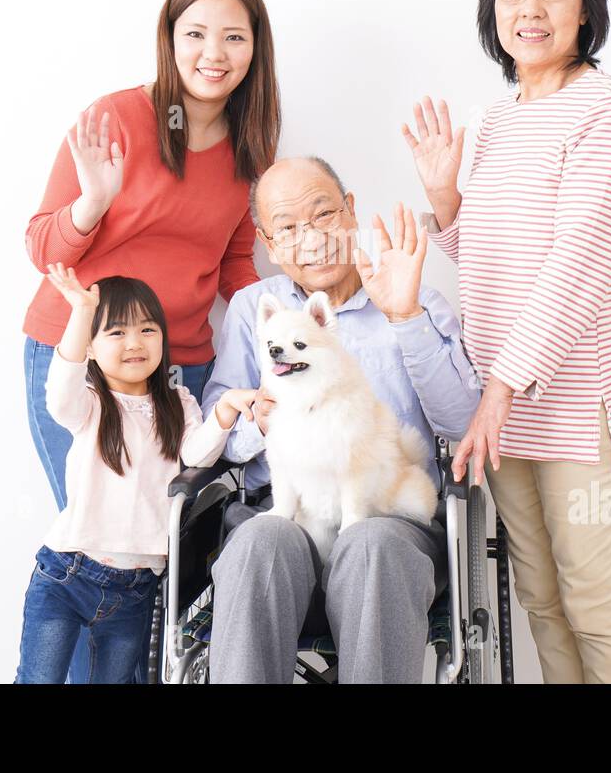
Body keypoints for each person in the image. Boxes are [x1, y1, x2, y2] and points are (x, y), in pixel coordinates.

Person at [407, 0, 611, 683]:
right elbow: (490, 257)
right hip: (501, 405)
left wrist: (501, 391)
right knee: (540, 601)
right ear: (493, 13)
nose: (530, 7)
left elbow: (578, 262)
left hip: (573, 401)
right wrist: (447, 200)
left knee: (595, 604)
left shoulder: (607, 109)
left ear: (587, 8)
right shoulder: (493, 121)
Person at [21, 0, 279, 681]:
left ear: (256, 49)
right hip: (80, 358)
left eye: (233, 36)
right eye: (194, 34)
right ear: (169, 40)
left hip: (181, 368)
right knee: (90, 556)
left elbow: (233, 264)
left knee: (157, 559)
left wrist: (296, 333)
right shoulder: (117, 120)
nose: (213, 53)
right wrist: (91, 205)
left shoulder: (250, 146)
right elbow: (44, 246)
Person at [201, 156, 481, 683]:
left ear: (350, 212)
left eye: (323, 213)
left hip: (387, 519)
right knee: (260, 542)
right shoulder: (253, 311)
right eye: (288, 227)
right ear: (269, 243)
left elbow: (466, 427)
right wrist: (257, 420)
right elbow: (220, 440)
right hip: (290, 511)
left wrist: (405, 319)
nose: (310, 237)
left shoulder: (415, 300)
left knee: (371, 543)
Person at [15, 265, 255, 683]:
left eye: (147, 330)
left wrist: (225, 410)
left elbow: (198, 454)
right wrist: (82, 312)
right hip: (67, 574)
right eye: (116, 333)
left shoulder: (177, 403)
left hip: (135, 588)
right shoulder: (89, 403)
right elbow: (58, 393)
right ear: (91, 347)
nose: (134, 343)